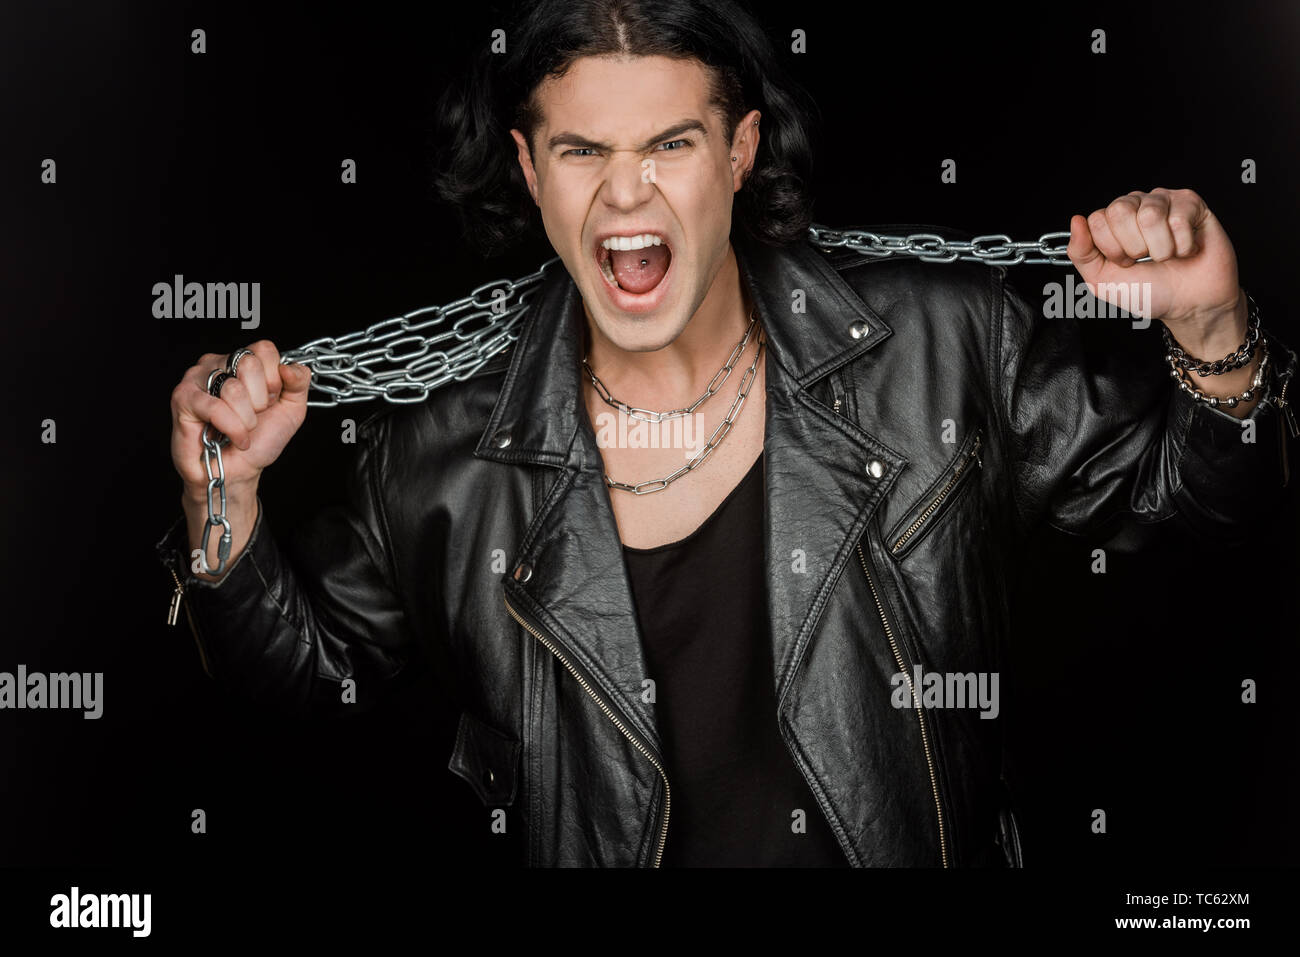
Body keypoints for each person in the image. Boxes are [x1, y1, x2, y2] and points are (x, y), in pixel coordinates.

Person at [156, 0, 1296, 867]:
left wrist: (1211, 332)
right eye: (581, 151)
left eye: (669, 145)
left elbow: (1194, 514)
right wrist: (228, 507)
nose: (625, 196)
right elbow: (307, 690)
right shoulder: (440, 458)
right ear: (527, 169)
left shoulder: (940, 347)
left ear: (739, 152)